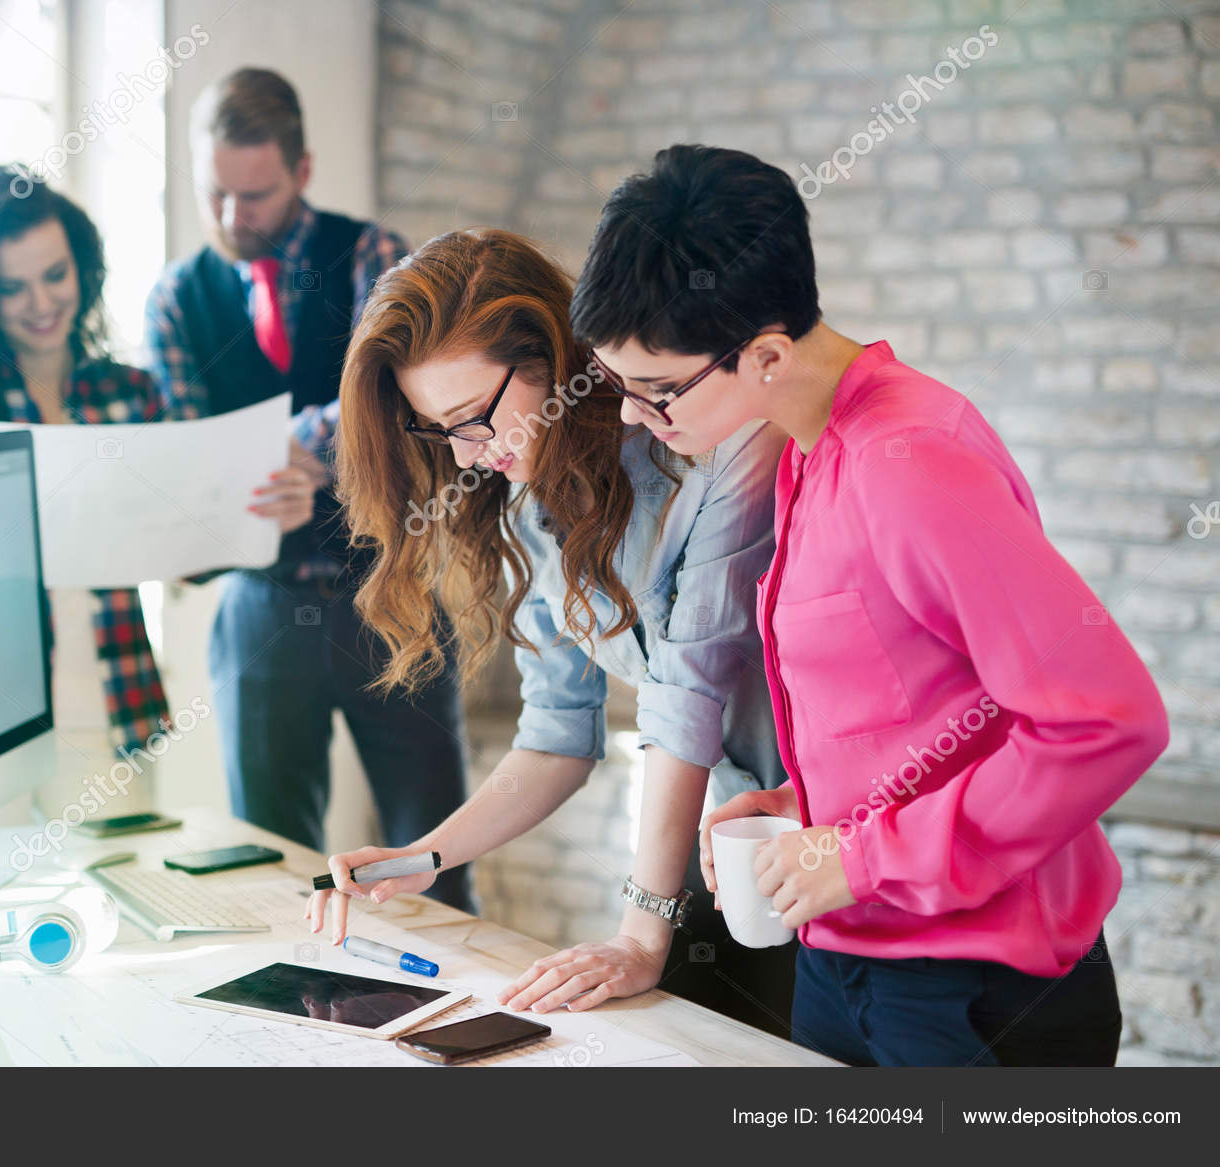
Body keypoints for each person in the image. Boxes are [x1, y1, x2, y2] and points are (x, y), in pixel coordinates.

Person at [573, 143, 1170, 1066]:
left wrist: (856, 857)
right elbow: (917, 710)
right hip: (848, 966)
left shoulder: (914, 462)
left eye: (656, 391)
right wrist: (794, 803)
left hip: (969, 995)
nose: (632, 417)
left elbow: (1104, 722)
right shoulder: (812, 449)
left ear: (765, 353)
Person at [305, 227, 798, 1031]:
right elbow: (558, 735)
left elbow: (685, 698)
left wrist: (642, 928)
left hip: (839, 830)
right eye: (445, 431)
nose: (469, 457)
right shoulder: (533, 507)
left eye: (477, 418)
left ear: (552, 357)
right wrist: (424, 857)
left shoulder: (698, 449)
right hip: (737, 843)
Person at [146, 68, 474, 912]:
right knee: (271, 861)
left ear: (302, 171)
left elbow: (399, 390)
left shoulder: (370, 253)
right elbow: (187, 456)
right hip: (259, 609)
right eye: (214, 193)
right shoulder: (176, 300)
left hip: (389, 592)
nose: (231, 217)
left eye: (253, 195)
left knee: (433, 855)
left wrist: (303, 449)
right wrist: (234, 487)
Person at [0, 165, 176, 755]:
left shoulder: (131, 393)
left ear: (84, 268)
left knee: (136, 848)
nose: (42, 302)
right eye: (12, 287)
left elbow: (176, 545)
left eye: (56, 275)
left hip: (122, 697)